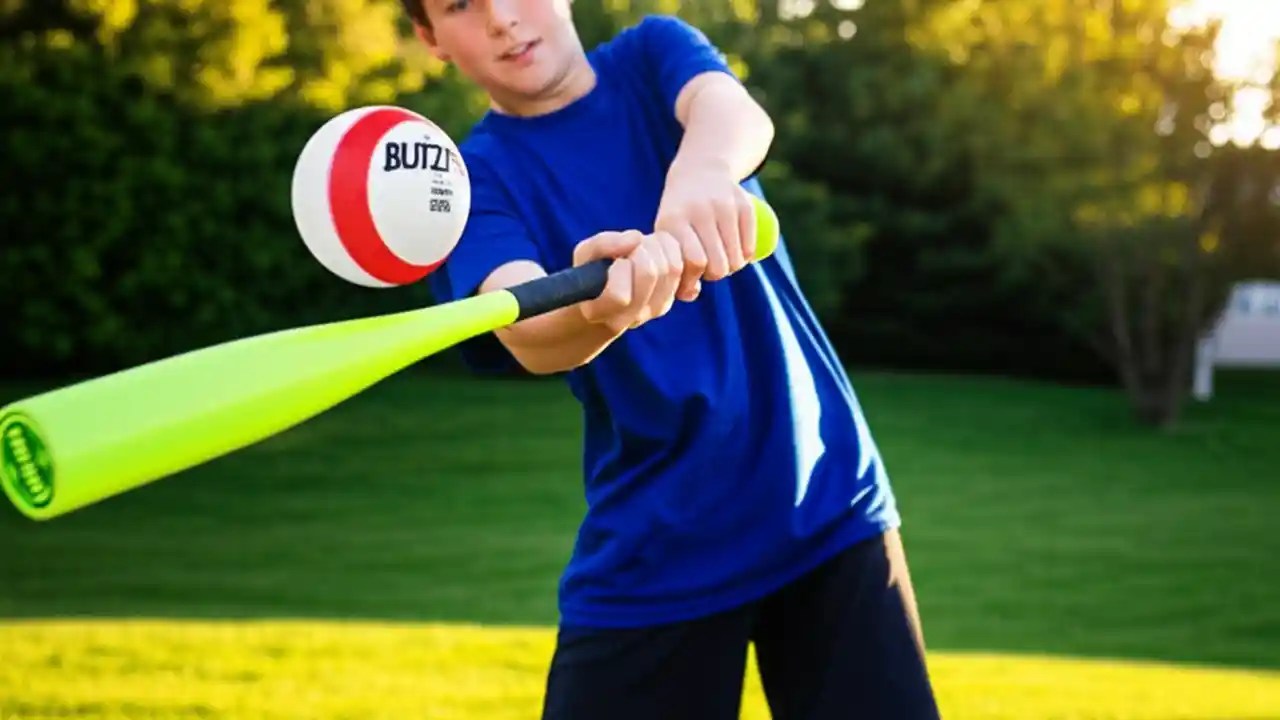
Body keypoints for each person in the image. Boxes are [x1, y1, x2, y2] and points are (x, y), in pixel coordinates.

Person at [400, 1, 941, 718]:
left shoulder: (653, 54)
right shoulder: (471, 183)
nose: (502, 17)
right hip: (656, 555)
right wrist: (598, 309)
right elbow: (523, 324)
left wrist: (702, 175)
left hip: (826, 506)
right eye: (459, 4)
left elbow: (736, 116)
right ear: (430, 38)